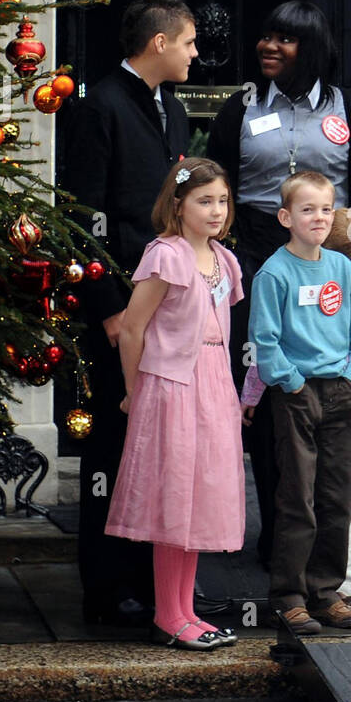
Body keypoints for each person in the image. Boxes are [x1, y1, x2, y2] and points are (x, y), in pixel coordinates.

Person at [207, 1, 351, 568]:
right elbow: (216, 187)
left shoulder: (350, 110)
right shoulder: (238, 108)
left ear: (309, 48)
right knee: (264, 388)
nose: (268, 47)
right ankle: (277, 531)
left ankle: (322, 540)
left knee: (322, 390)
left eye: (284, 40)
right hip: (255, 254)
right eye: (266, 37)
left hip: (327, 259)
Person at [62, 0, 198, 627]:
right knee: (115, 446)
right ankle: (106, 586)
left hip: (168, 306)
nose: (197, 54)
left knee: (163, 445)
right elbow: (79, 217)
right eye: (190, 42)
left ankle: (154, 583)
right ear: (160, 43)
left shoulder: (171, 110)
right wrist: (111, 308)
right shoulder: (97, 107)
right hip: (121, 311)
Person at [104, 158, 245, 651]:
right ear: (178, 205)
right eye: (204, 201)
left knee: (198, 503)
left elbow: (218, 331)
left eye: (222, 201)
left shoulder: (225, 261)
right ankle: (168, 616)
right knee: (173, 502)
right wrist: (134, 389)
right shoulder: (166, 255)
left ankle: (187, 612)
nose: (215, 211)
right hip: (170, 385)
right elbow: (132, 328)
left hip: (212, 383)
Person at [240, 206, 351, 614]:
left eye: (326, 209)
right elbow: (266, 342)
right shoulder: (276, 272)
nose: (318, 217)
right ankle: (292, 596)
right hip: (302, 395)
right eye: (309, 209)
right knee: (298, 496)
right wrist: (285, 384)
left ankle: (331, 591)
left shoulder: (343, 276)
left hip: (344, 401)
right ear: (286, 217)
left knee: (339, 498)